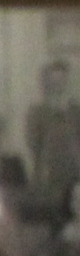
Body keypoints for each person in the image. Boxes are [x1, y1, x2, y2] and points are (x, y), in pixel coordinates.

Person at [29, 60, 80, 225]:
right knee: (52, 223)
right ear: (47, 83)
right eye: (53, 81)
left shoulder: (76, 111)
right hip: (50, 178)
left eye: (61, 80)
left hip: (74, 177)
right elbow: (35, 145)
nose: (58, 85)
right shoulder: (37, 112)